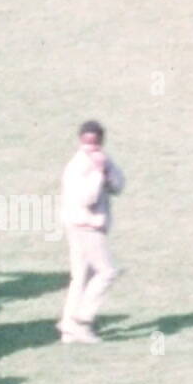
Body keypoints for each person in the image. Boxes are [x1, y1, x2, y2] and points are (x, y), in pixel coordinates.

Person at [58, 120, 124, 344]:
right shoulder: (78, 166)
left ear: (101, 142)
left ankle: (68, 328)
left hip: (85, 225)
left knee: (81, 277)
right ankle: (82, 320)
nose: (91, 149)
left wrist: (105, 170)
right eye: (87, 144)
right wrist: (97, 173)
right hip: (86, 227)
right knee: (107, 272)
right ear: (80, 142)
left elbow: (119, 186)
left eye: (95, 144)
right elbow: (88, 198)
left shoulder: (103, 161)